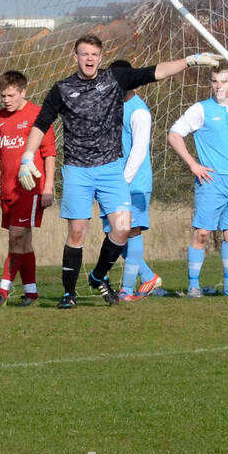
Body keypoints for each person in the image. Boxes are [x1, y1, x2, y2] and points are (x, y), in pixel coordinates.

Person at [17, 35, 219, 308]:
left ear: (100, 58)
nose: (89, 59)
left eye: (94, 54)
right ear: (74, 57)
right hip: (78, 169)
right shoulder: (62, 89)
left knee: (123, 229)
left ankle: (98, 276)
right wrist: (27, 156)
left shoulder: (114, 79)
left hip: (111, 169)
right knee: (77, 232)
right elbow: (41, 124)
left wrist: (190, 61)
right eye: (84, 54)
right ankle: (69, 294)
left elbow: (155, 72)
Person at [167, 67, 228, 296]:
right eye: (215, 81)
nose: (219, 86)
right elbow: (174, 134)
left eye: (224, 81)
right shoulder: (201, 109)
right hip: (210, 182)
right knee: (202, 234)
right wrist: (193, 164)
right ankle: (193, 286)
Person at [0, 71, 56, 307]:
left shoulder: (38, 115)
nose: (6, 100)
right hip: (7, 189)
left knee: (16, 238)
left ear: (23, 92)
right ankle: (31, 292)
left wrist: (48, 187)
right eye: (3, 96)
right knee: (23, 243)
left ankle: (2, 292)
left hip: (29, 190)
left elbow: (49, 153)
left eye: (11, 95)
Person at [101, 59, 162, 302]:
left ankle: (126, 290)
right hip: (113, 181)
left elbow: (138, 152)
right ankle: (147, 277)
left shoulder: (139, 111)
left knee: (131, 232)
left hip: (133, 183)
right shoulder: (110, 107)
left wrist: (122, 182)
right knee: (114, 234)